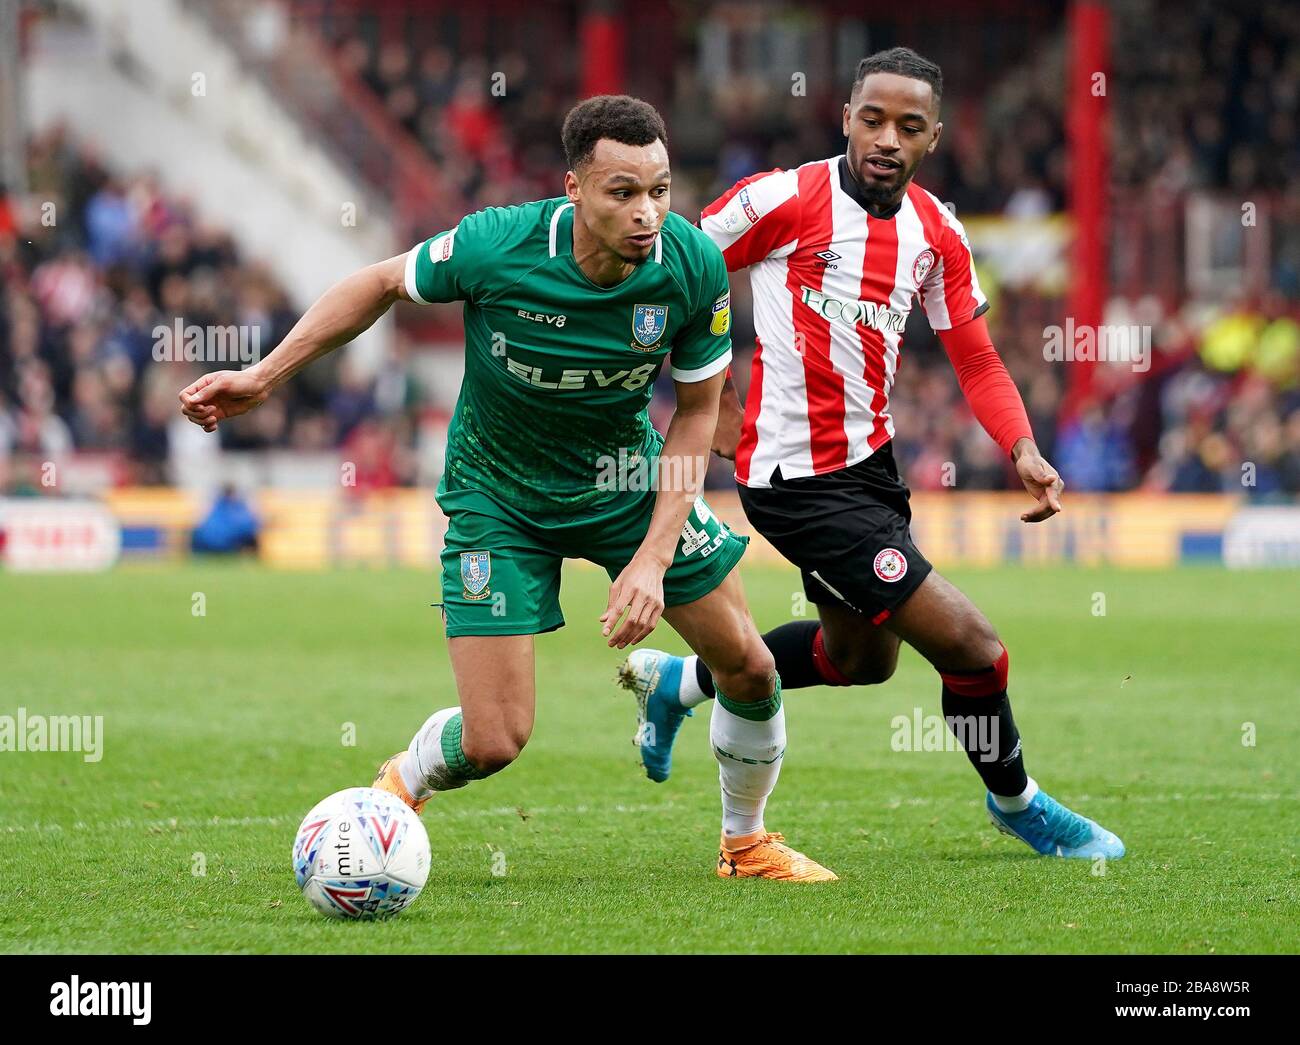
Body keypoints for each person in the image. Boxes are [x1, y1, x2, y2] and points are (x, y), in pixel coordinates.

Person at [179, 95, 835, 883]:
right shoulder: (498, 245)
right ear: (573, 188)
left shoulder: (690, 266)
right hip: (499, 493)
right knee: (495, 739)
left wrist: (654, 558)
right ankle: (399, 782)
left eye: (659, 190)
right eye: (622, 191)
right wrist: (264, 373)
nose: (647, 213)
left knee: (752, 667)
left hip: (622, 481)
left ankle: (745, 843)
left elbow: (696, 417)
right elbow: (384, 281)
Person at [620, 50, 1125, 861]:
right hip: (794, 480)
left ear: (934, 137)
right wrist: (700, 406)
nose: (888, 138)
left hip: (870, 472)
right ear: (847, 117)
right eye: (873, 119)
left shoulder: (937, 232)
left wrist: (1022, 445)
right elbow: (664, 273)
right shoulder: (781, 199)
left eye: (909, 126)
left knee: (858, 659)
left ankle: (677, 683)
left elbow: (977, 358)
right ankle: (1017, 801)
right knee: (973, 645)